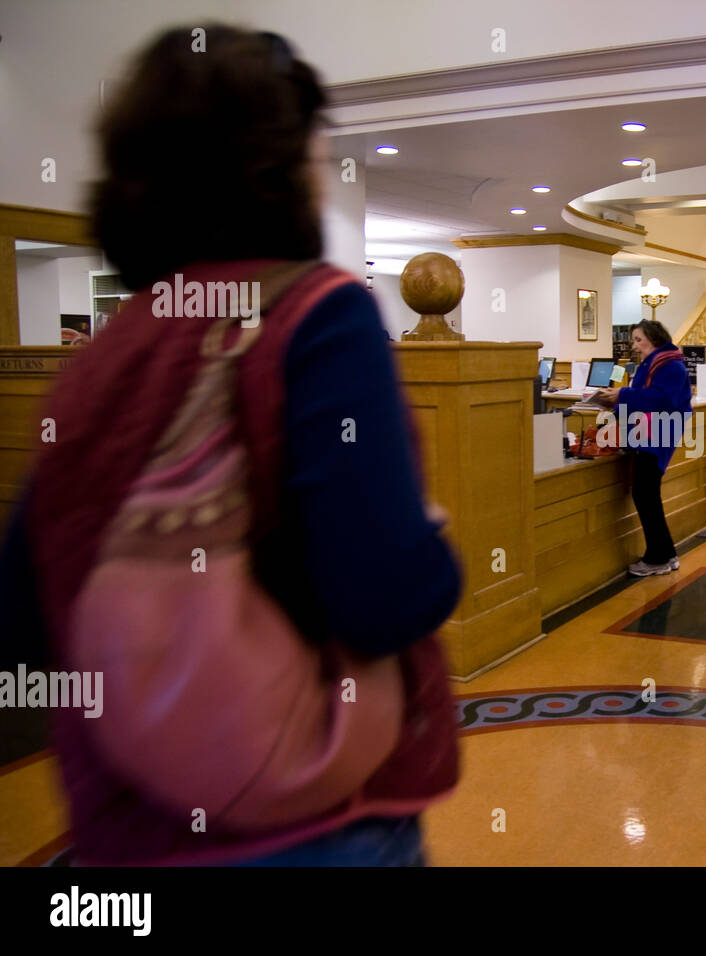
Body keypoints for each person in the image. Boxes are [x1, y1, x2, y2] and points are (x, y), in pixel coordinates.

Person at [0, 25, 461, 865]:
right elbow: (386, 595)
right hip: (315, 825)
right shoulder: (319, 316)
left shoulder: (101, 356)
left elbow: (26, 613)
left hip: (125, 833)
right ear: (280, 161)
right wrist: (435, 549)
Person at [593, 319, 692, 576]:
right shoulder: (655, 363)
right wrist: (614, 403)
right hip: (648, 432)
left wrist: (622, 395)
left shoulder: (669, 365)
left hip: (657, 435)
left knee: (645, 495)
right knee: (647, 496)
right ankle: (666, 553)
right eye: (633, 341)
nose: (635, 347)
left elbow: (662, 399)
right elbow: (643, 399)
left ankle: (657, 557)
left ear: (654, 338)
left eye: (639, 340)